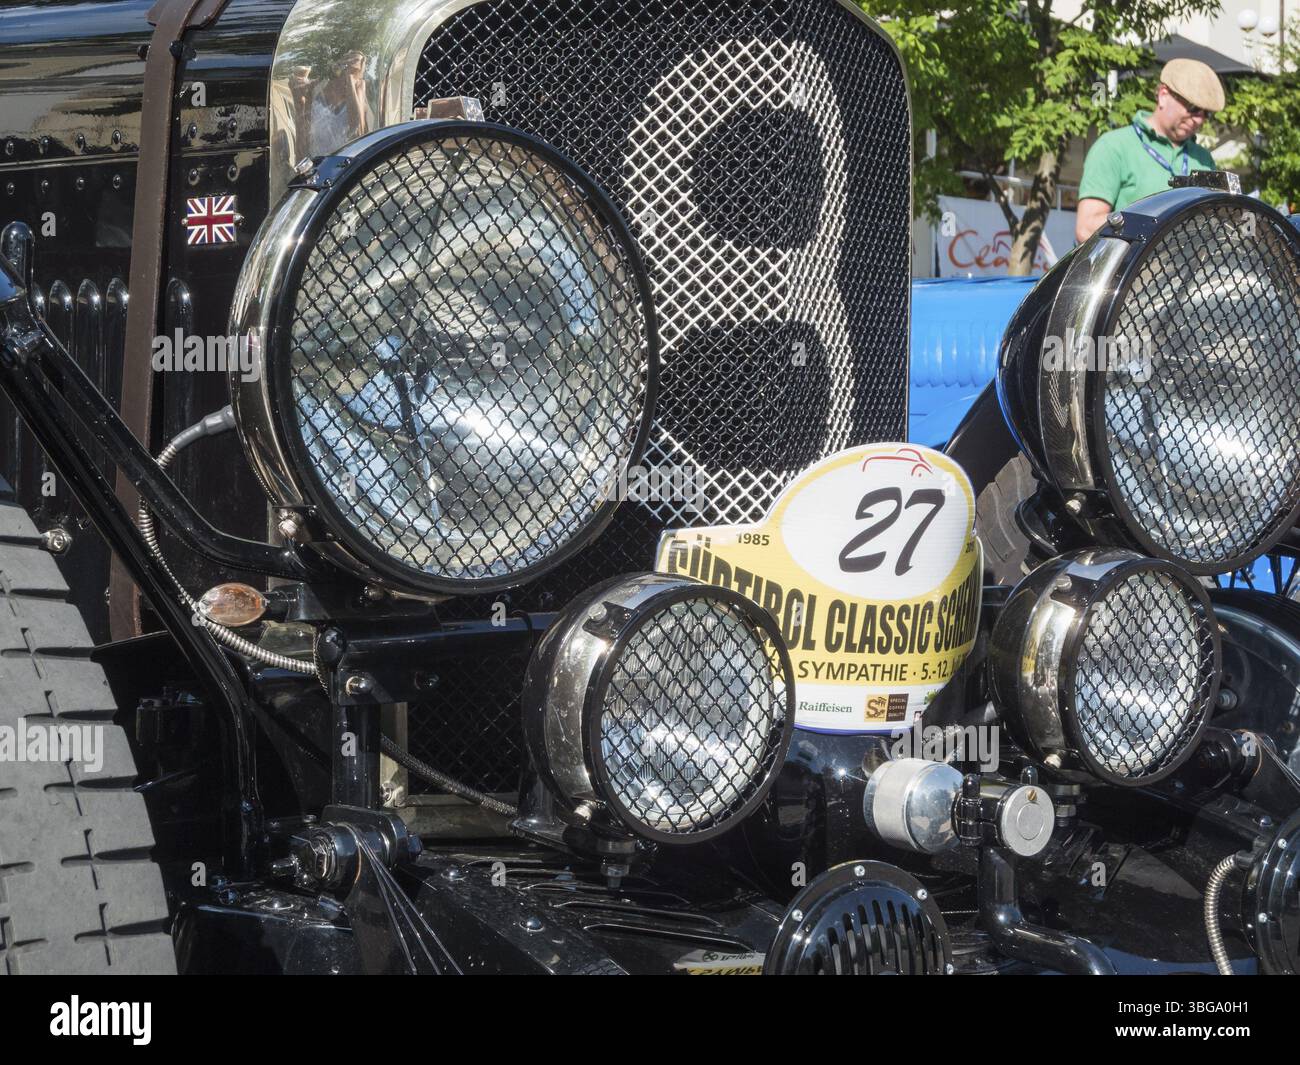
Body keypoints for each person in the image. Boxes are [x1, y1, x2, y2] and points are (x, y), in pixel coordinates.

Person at [1075, 59, 1225, 243]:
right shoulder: (1113, 146)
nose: (1199, 120)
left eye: (1205, 114)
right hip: (1128, 269)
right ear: (1163, 95)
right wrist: (1153, 226)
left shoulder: (1203, 158)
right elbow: (1086, 227)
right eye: (1193, 108)